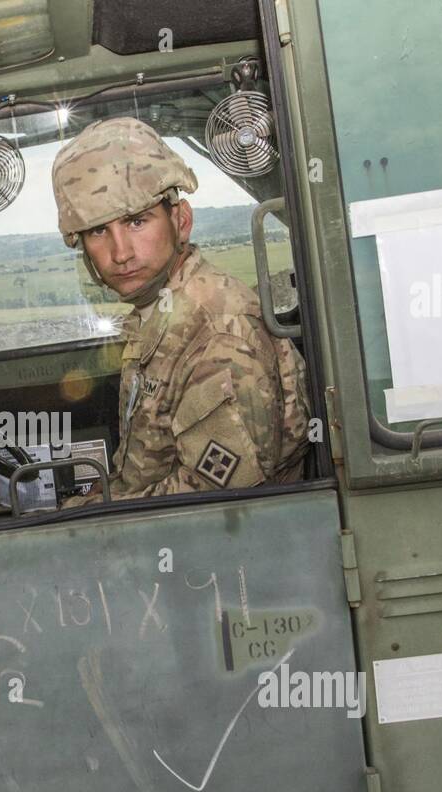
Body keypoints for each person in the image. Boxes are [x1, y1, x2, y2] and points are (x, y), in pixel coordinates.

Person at [51, 116, 312, 502]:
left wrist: (86, 512)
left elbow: (212, 501)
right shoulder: (160, 312)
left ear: (181, 220)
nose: (120, 253)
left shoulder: (217, 333)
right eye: (98, 231)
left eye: (137, 221)